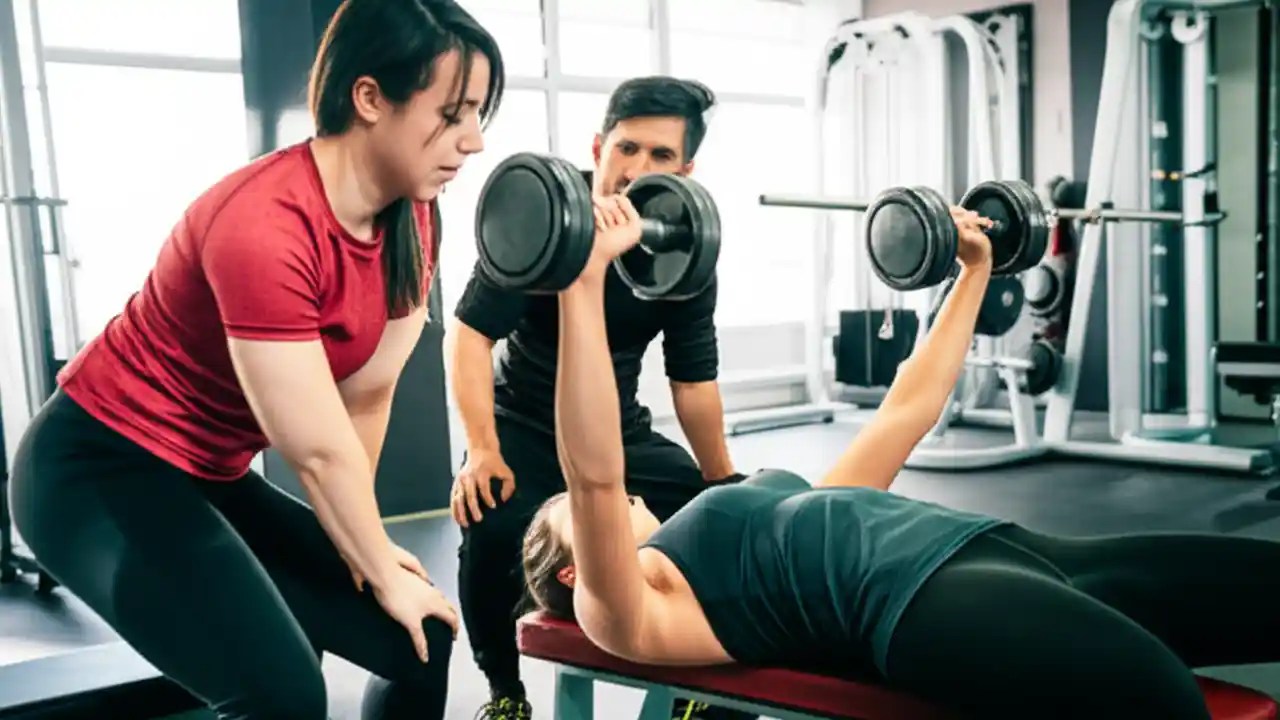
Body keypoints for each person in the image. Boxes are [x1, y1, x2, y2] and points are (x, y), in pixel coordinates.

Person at [522, 197, 1280, 720]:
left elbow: (906, 411)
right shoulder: (624, 610)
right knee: (1159, 696)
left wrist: (975, 272)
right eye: (580, 523)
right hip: (919, 606)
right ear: (571, 569)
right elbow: (594, 473)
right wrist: (583, 282)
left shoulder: (778, 512)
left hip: (1013, 552)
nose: (603, 506)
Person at [8, 2, 502, 718]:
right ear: (369, 98)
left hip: (209, 476)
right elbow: (315, 454)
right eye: (453, 113)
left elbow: (363, 401)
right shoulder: (263, 225)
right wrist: (368, 560)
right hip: (96, 474)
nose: (474, 141)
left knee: (420, 631)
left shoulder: (413, 213)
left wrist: (365, 548)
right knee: (282, 696)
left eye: (479, 113)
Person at [448, 76, 744, 720]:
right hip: (522, 424)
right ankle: (504, 691)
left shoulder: (686, 247)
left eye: (661, 157)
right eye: (627, 149)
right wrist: (480, 448)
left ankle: (700, 690)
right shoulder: (542, 218)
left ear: (686, 169)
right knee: (490, 520)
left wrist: (722, 479)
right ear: (598, 145)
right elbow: (469, 335)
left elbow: (692, 380)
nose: (638, 170)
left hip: (618, 430)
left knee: (725, 526)